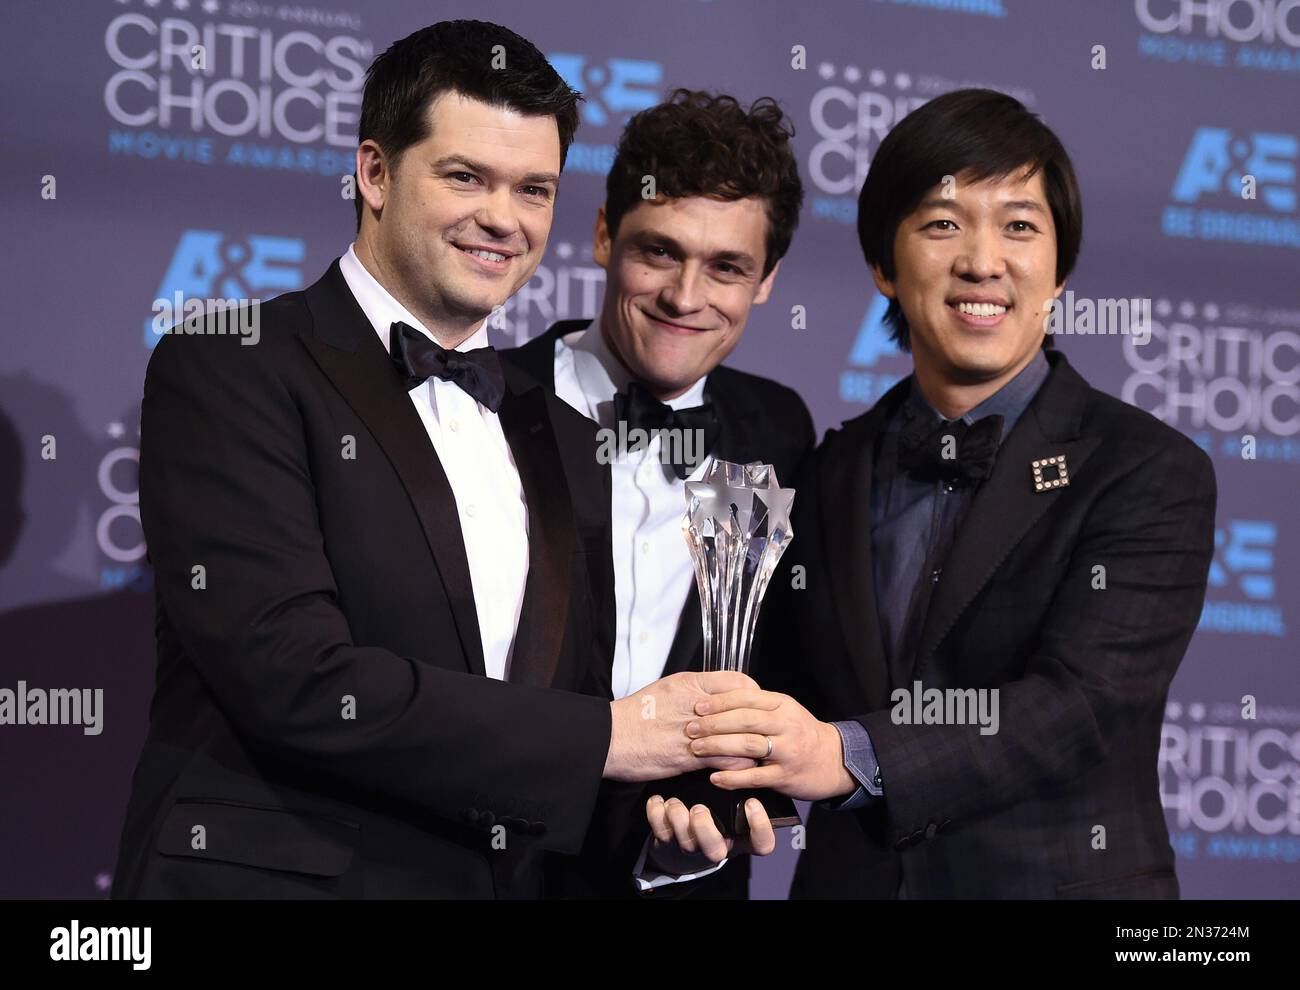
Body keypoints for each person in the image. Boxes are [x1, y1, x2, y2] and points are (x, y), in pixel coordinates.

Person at [111, 19, 751, 900]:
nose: (503, 218)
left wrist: (658, 842)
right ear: (374, 173)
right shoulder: (234, 360)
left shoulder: (561, 433)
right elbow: (289, 675)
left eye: (534, 189)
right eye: (465, 177)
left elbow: (539, 720)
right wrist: (611, 737)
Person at [687, 88, 1217, 899]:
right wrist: (717, 786)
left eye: (1019, 225)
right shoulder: (827, 470)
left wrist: (848, 755)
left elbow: (1077, 706)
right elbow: (781, 691)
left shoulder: (1148, 470)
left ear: (1061, 269)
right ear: (882, 264)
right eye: (942, 223)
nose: (981, 261)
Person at [505, 89, 812, 897]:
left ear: (768, 280)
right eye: (660, 252)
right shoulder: (492, 403)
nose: (686, 296)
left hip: (684, 881)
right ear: (605, 235)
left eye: (727, 268)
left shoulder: (776, 431)